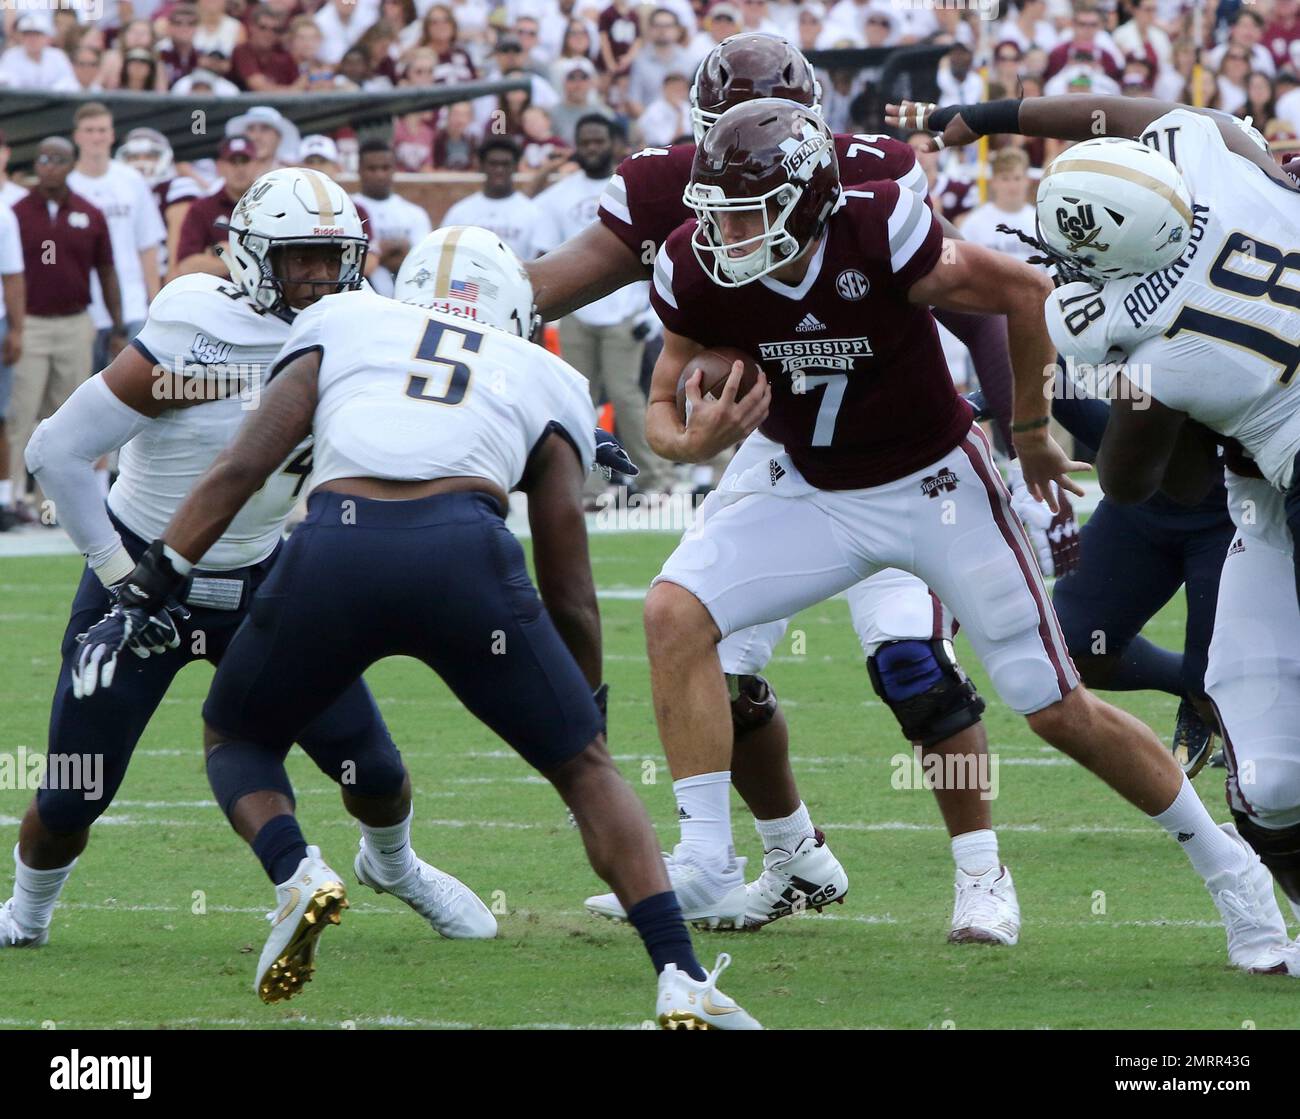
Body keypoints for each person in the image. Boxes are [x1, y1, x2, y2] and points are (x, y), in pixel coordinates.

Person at [635, 96, 1297, 976]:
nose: (725, 233)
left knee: (1055, 703)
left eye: (746, 212)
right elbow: (666, 386)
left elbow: (1021, 292)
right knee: (673, 613)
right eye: (715, 212)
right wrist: (679, 439)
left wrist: (1028, 433)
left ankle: (1233, 870)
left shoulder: (879, 230)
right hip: (806, 484)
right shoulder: (696, 259)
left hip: (932, 483)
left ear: (803, 201)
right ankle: (708, 863)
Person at [69, 223, 762, 1030]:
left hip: (334, 545)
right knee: (585, 771)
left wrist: (155, 580)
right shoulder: (550, 374)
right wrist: (584, 712)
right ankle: (679, 975)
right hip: (466, 556)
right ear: (511, 303)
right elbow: (569, 584)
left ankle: (296, 871)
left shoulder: (343, 319)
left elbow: (242, 466)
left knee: (237, 737)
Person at [533, 35, 1060, 941]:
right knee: (708, 656)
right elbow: (575, 304)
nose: (733, 176)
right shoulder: (666, 186)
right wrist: (453, 312)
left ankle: (981, 872)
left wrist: (1019, 427)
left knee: (913, 668)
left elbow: (981, 301)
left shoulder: (878, 181)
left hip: (905, 446)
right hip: (780, 449)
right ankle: (787, 854)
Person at [0, 169, 498, 982]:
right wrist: (122, 575)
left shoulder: (358, 328)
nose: (321, 278)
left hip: (267, 575)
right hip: (145, 576)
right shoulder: (198, 332)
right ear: (253, 257)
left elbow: (457, 372)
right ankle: (26, 913)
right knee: (70, 796)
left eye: (334, 259)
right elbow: (53, 450)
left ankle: (396, 867)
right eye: (302, 258)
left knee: (371, 768)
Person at [893, 89, 1300, 948]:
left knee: (1269, 776)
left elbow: (1142, 477)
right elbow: (1129, 114)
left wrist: (1108, 379)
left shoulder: (1151, 339)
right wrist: (1000, 110)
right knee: (1263, 762)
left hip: (1268, 495)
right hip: (1262, 496)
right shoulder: (1236, 170)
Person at [535, 115, 674, 495]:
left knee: (626, 395)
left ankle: (654, 479)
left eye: (599, 140)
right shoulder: (558, 196)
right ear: (576, 145)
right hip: (578, 313)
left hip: (623, 311)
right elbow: (546, 254)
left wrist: (649, 312)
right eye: (586, 141)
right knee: (579, 399)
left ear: (613, 143)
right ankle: (589, 485)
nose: (592, 147)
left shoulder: (632, 188)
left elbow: (657, 254)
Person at [8, 138, 121, 522]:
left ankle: (51, 504)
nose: (50, 166)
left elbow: (107, 270)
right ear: (35, 165)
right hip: (32, 323)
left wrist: (118, 323)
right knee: (22, 413)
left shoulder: (89, 213)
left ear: (72, 164)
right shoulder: (17, 212)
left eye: (58, 159)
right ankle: (13, 499)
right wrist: (14, 327)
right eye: (43, 159)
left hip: (75, 323)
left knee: (65, 419)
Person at [68, 103, 165, 376]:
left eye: (102, 130)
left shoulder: (131, 180)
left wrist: (153, 301)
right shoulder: (67, 185)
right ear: (77, 136)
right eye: (89, 130)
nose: (96, 137)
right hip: (84, 312)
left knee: (128, 392)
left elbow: (148, 245)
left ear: (112, 135)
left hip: (132, 306)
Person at [352, 139, 432, 297]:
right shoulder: (350, 208)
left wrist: (377, 254)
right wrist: (386, 250)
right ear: (359, 170)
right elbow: (354, 262)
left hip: (408, 294)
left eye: (385, 168)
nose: (380, 175)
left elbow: (424, 261)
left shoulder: (415, 213)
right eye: (372, 169)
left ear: (394, 169)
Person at [442, 137, 542, 261]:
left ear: (516, 166)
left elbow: (539, 263)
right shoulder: (460, 212)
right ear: (482, 166)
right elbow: (445, 255)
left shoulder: (533, 213)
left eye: (505, 164)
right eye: (493, 163)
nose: (499, 170)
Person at [954, 148, 1035, 261]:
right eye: (1005, 179)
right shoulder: (975, 223)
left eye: (1017, 178)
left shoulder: (1040, 224)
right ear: (993, 182)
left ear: (1028, 180)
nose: (1012, 186)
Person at [0, 202, 25, 533]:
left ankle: (3, 499)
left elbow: (13, 275)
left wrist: (18, 329)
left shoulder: (3, 212)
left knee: (0, 417)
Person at [0, 14, 76, 89]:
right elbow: (5, 82)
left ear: (47, 37)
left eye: (37, 34)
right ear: (21, 37)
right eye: (28, 35)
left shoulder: (58, 56)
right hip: (20, 100)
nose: (32, 39)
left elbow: (69, 82)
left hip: (54, 100)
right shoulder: (10, 56)